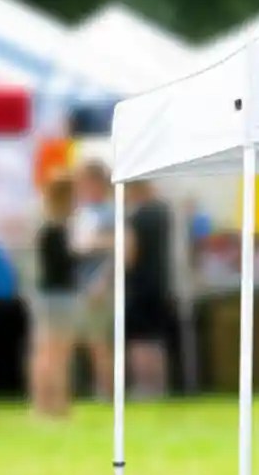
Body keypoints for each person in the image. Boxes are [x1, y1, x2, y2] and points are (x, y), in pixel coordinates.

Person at [29, 174, 80, 418]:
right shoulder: (57, 230)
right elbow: (65, 264)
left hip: (48, 295)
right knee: (57, 353)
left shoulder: (46, 228)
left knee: (45, 352)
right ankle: (57, 403)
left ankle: (44, 403)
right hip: (59, 296)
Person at [124, 180, 175, 399]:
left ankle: (144, 387)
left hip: (139, 285)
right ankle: (159, 387)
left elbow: (129, 254)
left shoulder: (136, 218)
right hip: (161, 283)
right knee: (156, 340)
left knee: (139, 341)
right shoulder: (163, 212)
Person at [70, 160, 115, 399]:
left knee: (100, 342)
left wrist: (103, 281)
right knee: (88, 341)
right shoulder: (82, 211)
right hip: (81, 284)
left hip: (98, 284)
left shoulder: (110, 211)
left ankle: (106, 390)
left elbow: (119, 249)